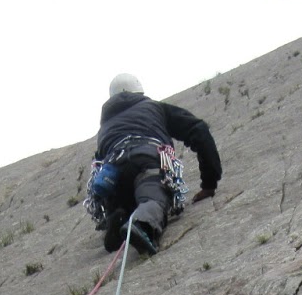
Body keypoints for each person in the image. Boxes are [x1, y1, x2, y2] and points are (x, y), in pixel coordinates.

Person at [91, 73, 221, 254]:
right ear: (139, 91)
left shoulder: (104, 128)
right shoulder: (154, 108)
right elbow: (197, 129)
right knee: (153, 197)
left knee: (122, 197)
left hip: (114, 171)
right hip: (147, 159)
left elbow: (97, 165)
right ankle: (143, 224)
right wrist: (209, 182)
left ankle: (118, 216)